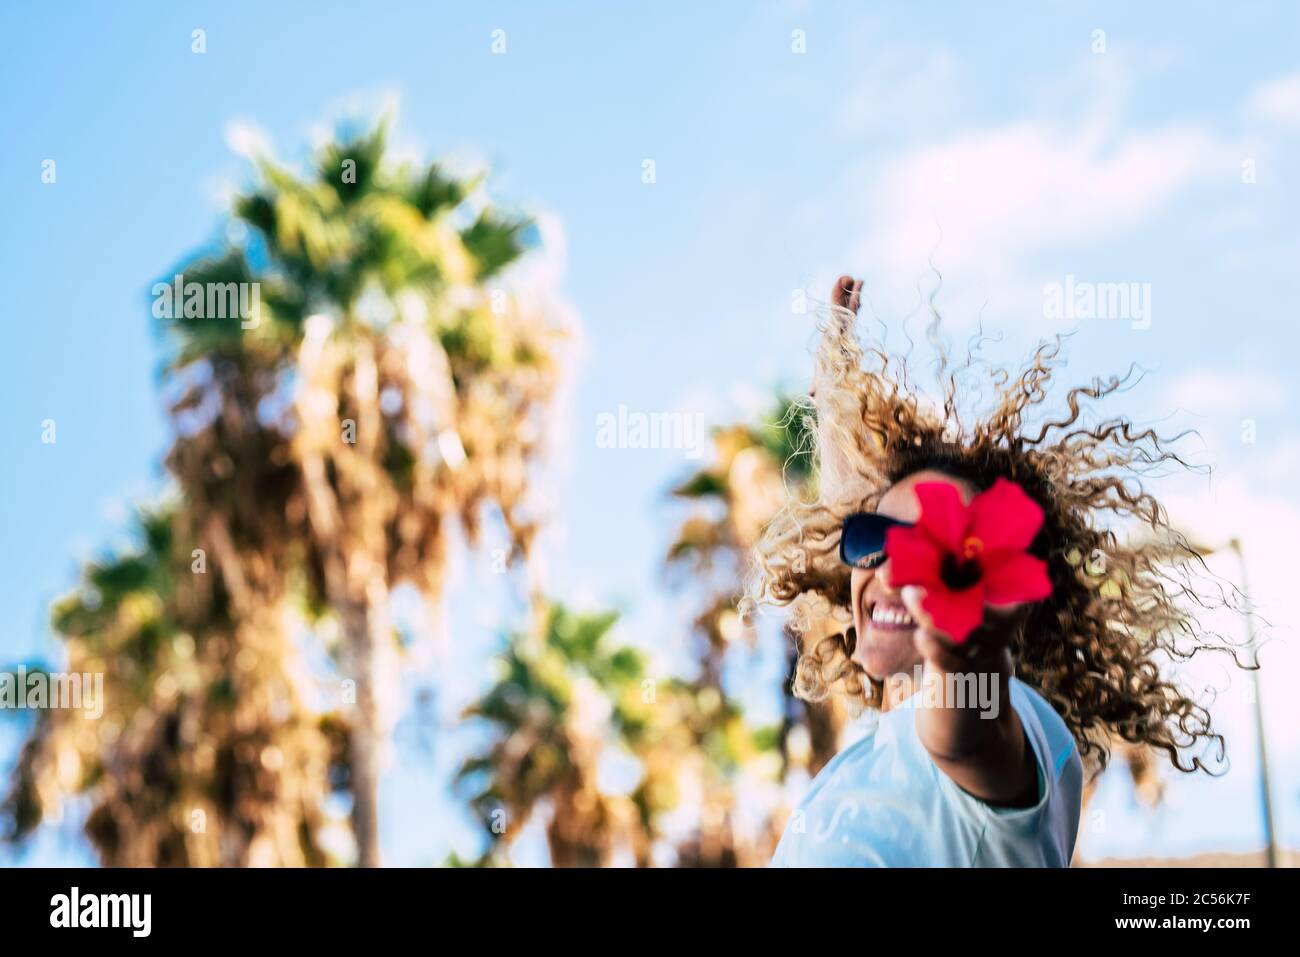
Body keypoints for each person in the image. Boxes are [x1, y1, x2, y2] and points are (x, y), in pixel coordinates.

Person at [755, 277, 1237, 867]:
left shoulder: (1015, 723)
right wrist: (835, 395)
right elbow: (859, 503)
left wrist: (965, 657)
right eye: (872, 541)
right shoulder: (862, 759)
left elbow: (966, 735)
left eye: (934, 545)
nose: (890, 566)